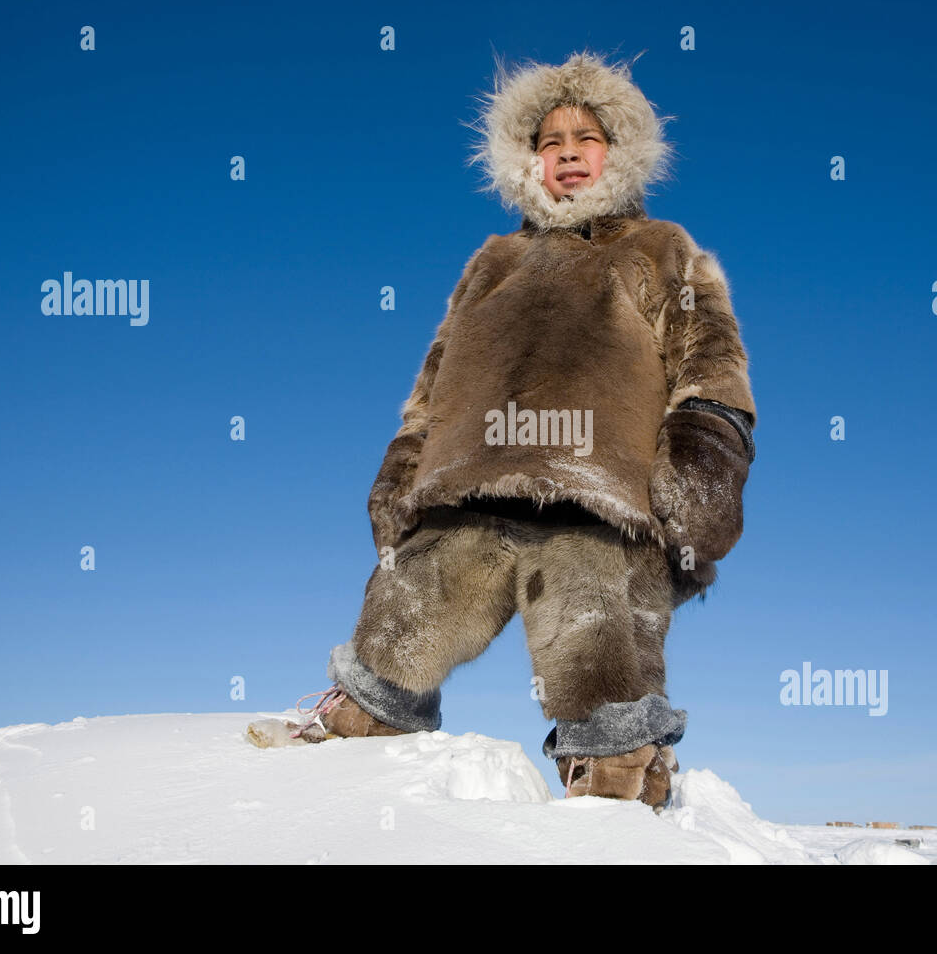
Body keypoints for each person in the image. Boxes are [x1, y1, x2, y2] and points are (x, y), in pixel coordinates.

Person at [248, 50, 757, 811]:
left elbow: (710, 368)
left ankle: (616, 781)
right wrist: (401, 475)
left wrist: (702, 466)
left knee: (592, 630)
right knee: (406, 604)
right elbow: (433, 386)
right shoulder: (492, 263)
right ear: (528, 162)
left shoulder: (659, 249)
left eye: (587, 138)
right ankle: (362, 727)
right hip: (472, 489)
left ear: (618, 154)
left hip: (598, 494)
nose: (568, 154)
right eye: (550, 142)